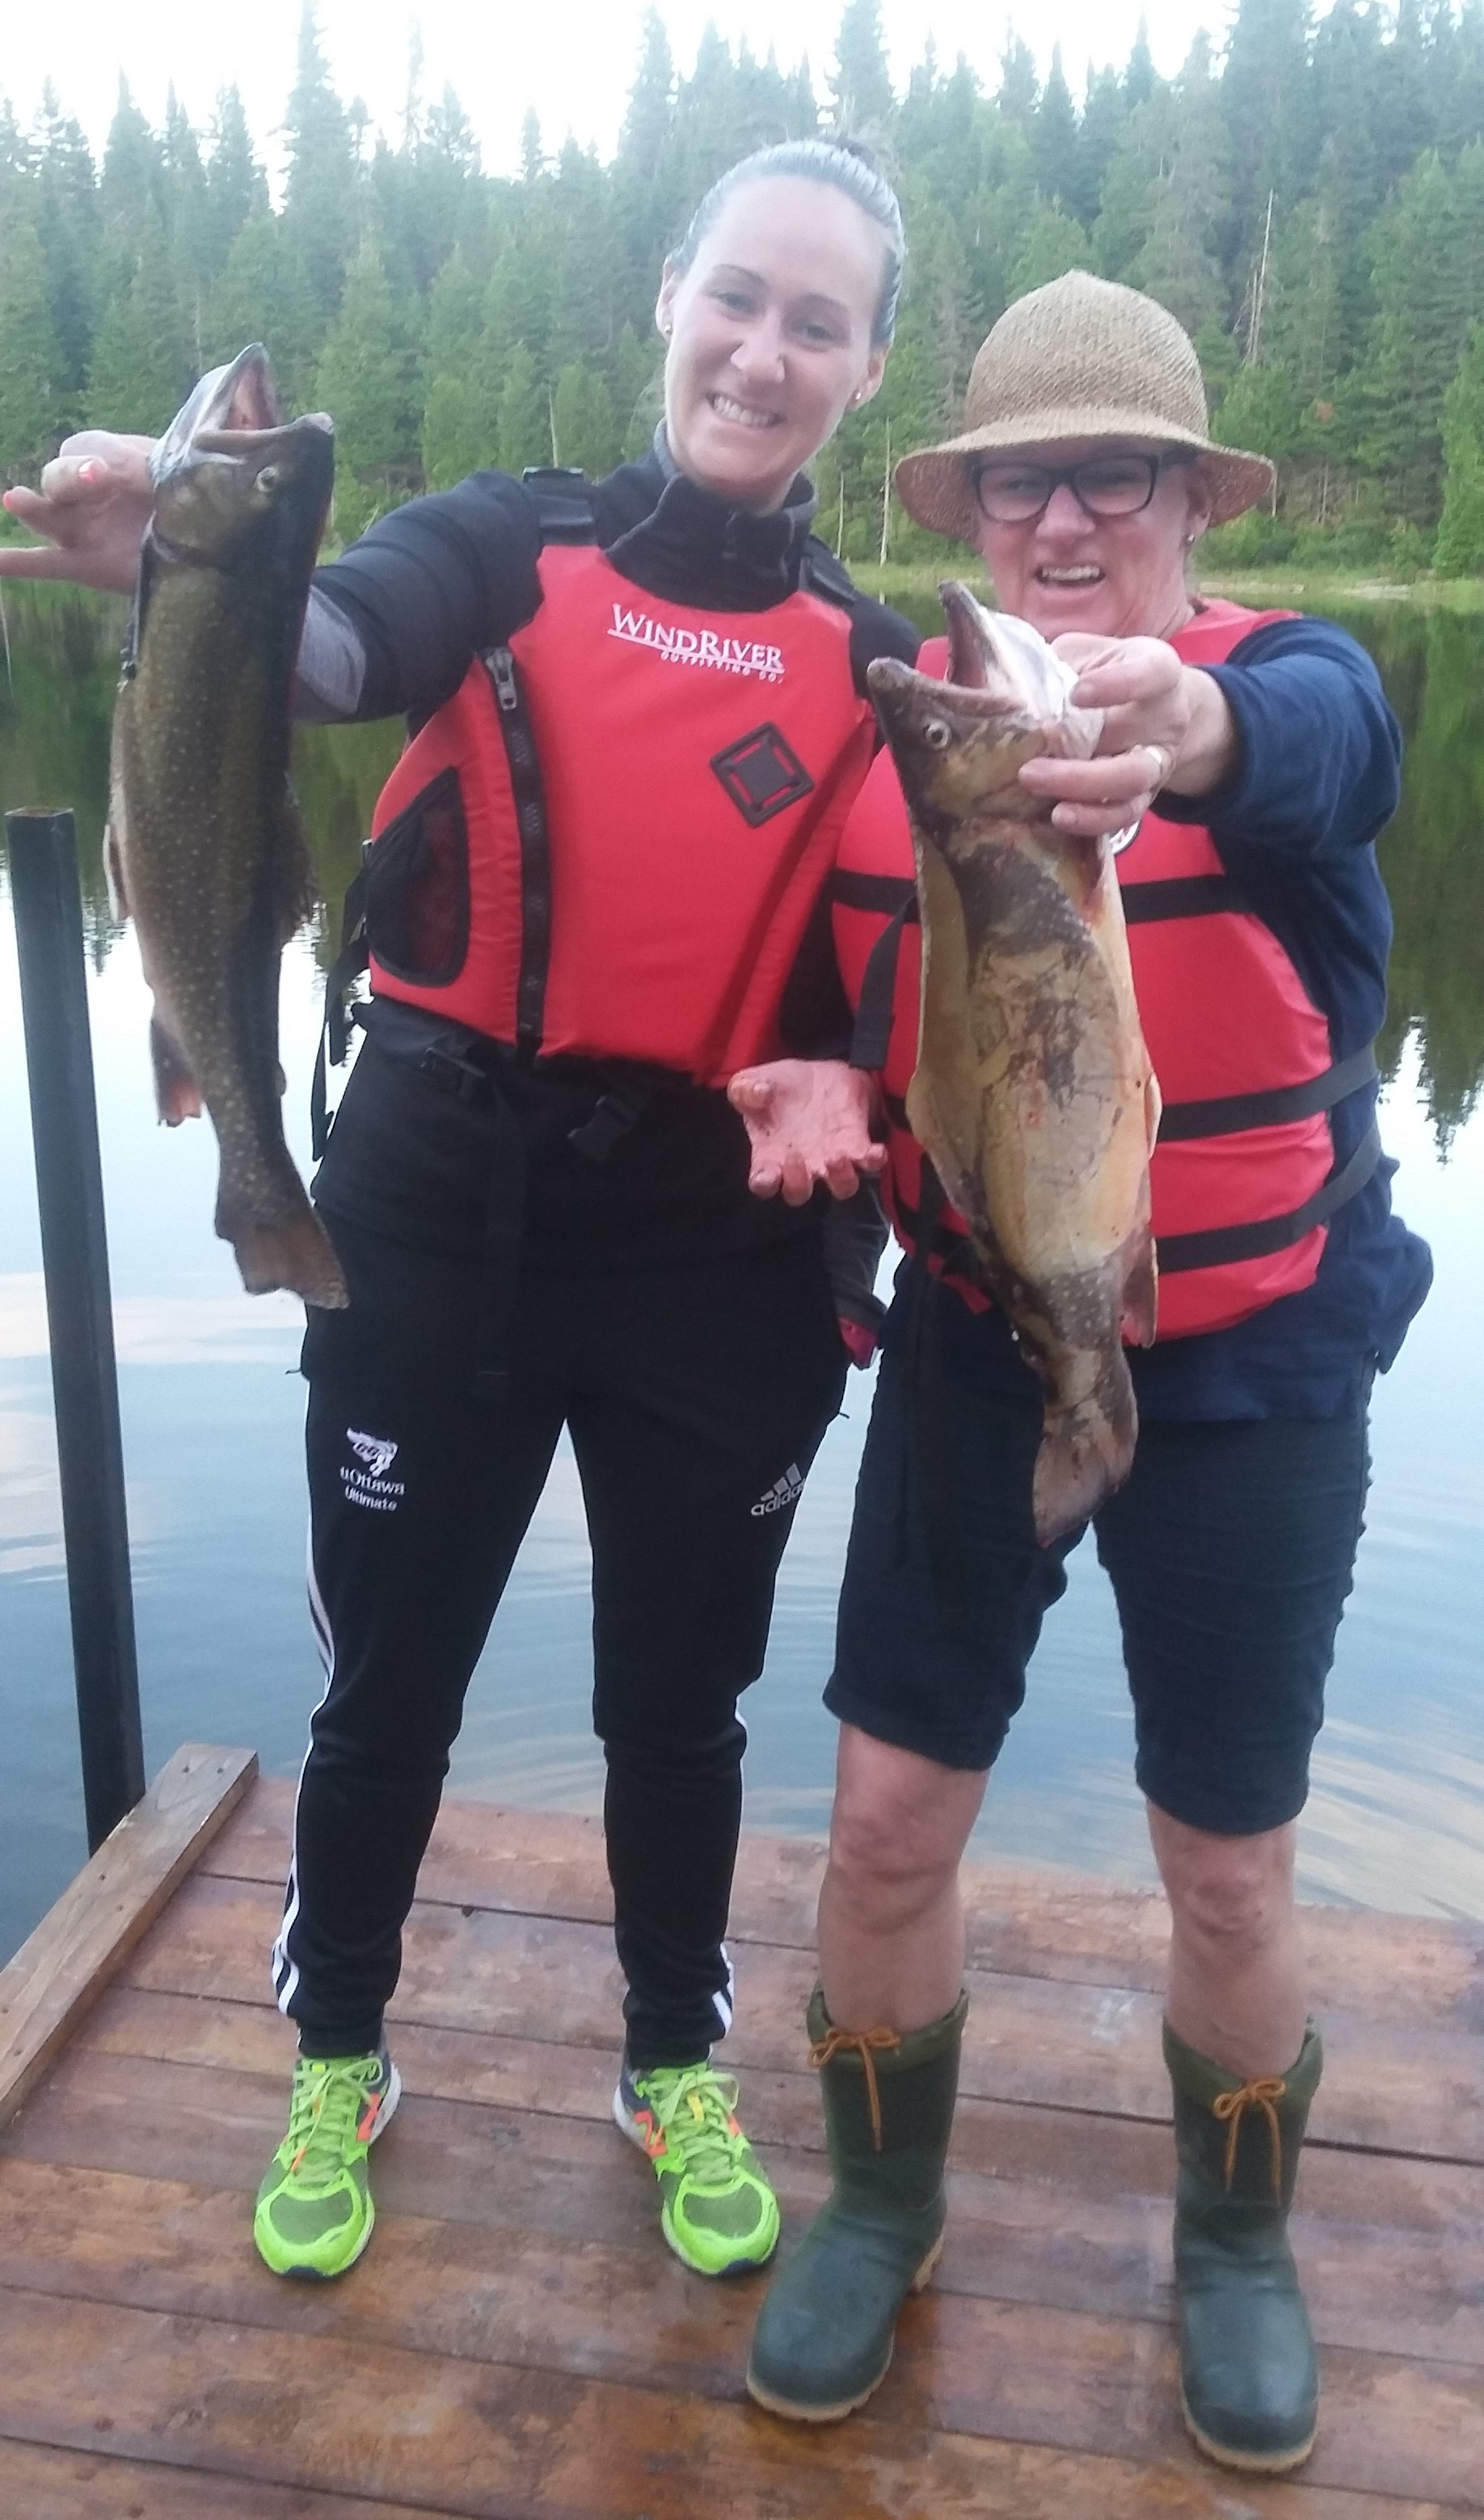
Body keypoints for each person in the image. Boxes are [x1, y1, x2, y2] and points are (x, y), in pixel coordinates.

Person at [0, 139, 911, 2287]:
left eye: (816, 321)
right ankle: (342, 2046)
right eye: (736, 297)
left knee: (678, 1701)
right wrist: (176, 560)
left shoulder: (864, 654)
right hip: (425, 1202)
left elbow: (913, 955)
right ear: (663, 301)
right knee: (384, 1684)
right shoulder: (499, 542)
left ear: (863, 371)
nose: (761, 351)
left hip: (717, 1249)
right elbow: (315, 640)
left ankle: (670, 2055)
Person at [740, 272, 1432, 2471]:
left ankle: (1231, 2246)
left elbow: (1322, 743)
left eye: (1107, 476)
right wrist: (801, 1090)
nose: (1058, 519)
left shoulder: (1278, 698)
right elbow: (845, 1025)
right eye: (1019, 478)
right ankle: (878, 2199)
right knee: (877, 1818)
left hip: (1254, 1379)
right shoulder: (912, 756)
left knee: (1226, 1862)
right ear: (972, 502)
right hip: (981, 1340)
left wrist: (1183, 741)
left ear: (1181, 508)